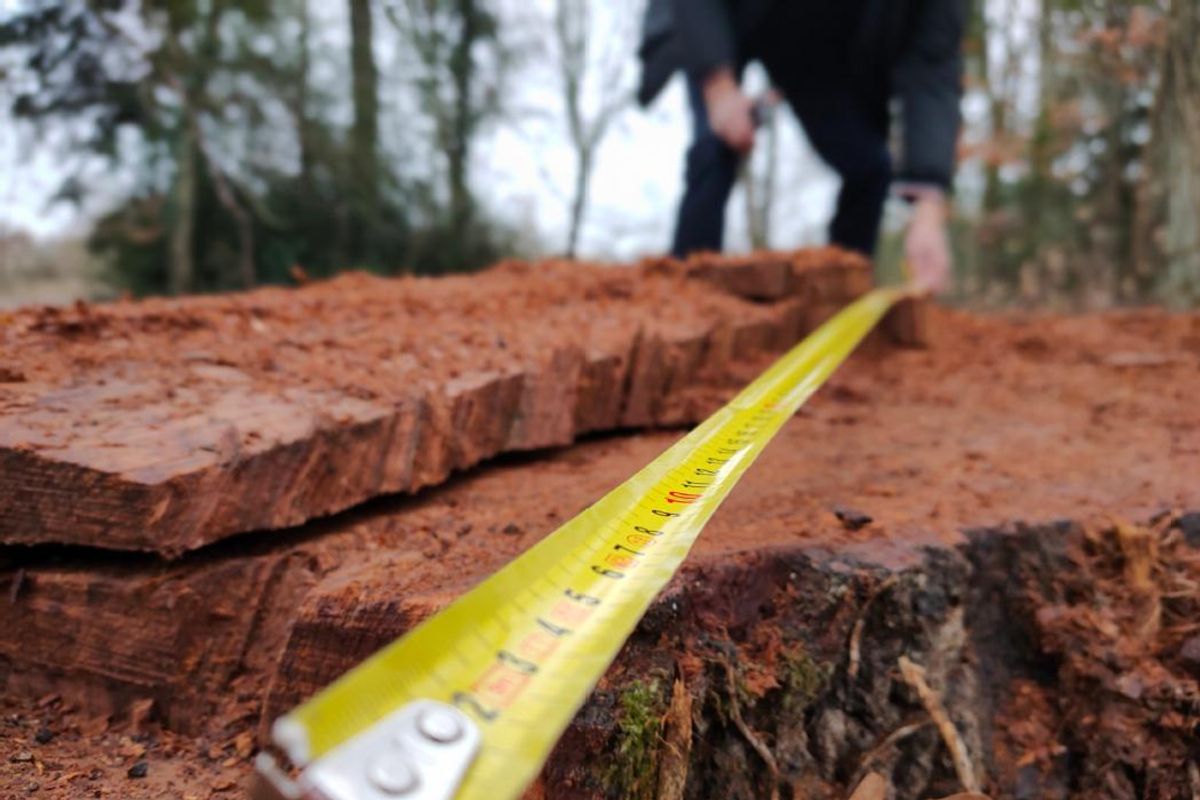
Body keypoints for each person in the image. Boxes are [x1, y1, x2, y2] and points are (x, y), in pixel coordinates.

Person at [638, 0, 967, 294]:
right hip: (721, 17)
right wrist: (718, 86)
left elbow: (933, 67)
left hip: (816, 53)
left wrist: (928, 207)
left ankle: (841, 295)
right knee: (714, 146)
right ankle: (687, 291)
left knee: (871, 166)